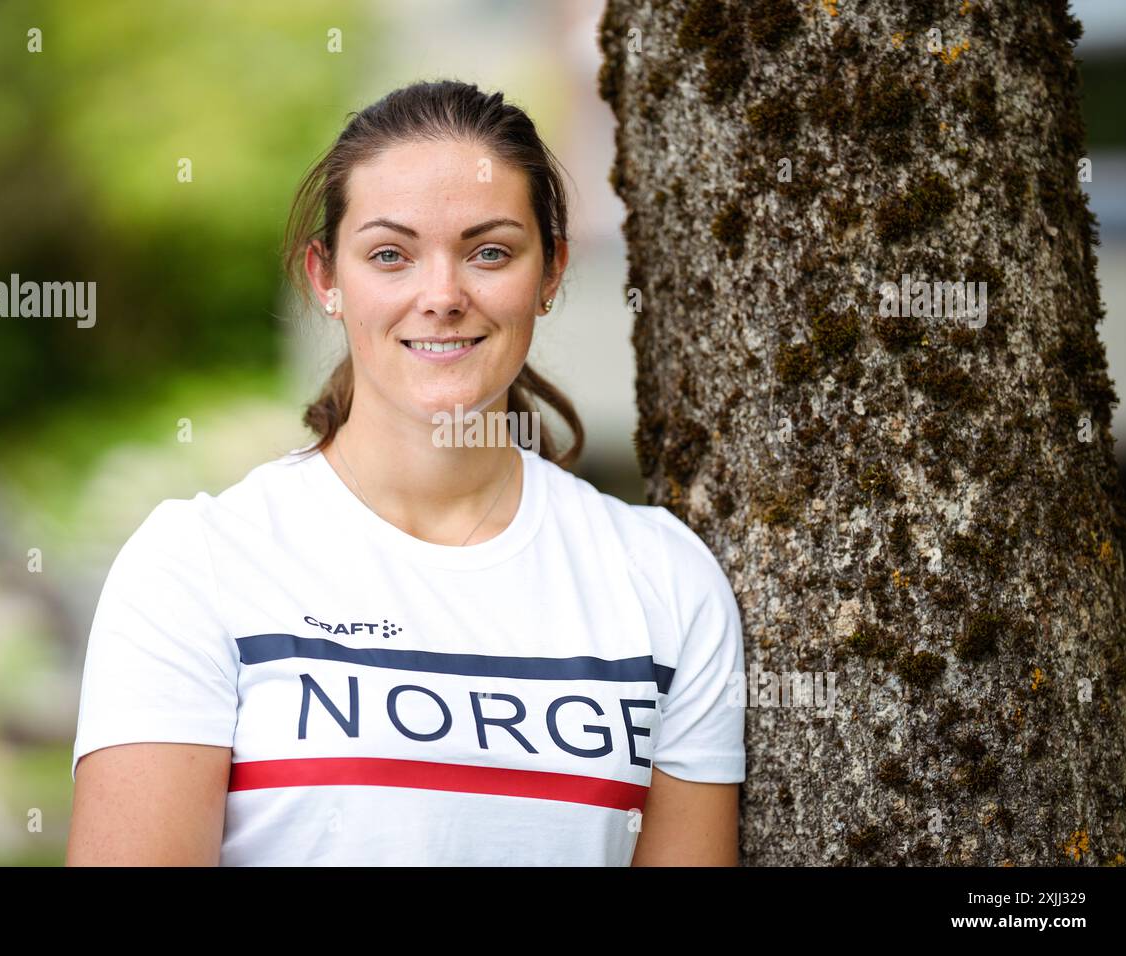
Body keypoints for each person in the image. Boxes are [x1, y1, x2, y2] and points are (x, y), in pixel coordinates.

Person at [66, 79, 745, 866]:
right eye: (390, 255)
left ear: (551, 273)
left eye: (489, 252)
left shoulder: (661, 579)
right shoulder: (199, 566)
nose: (443, 296)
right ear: (326, 278)